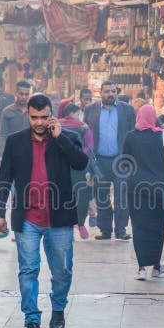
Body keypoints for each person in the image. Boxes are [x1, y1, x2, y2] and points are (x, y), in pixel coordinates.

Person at [0, 94, 88, 328]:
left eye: (44, 117)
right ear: (28, 116)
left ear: (51, 115)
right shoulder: (15, 143)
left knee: (62, 271)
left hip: (60, 218)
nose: (39, 122)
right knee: (28, 270)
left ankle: (58, 310)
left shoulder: (66, 138)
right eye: (34, 117)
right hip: (27, 218)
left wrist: (61, 138)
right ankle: (31, 320)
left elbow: (81, 163)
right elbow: (4, 178)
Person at [121, 105, 164, 280]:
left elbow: (124, 163)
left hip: (136, 189)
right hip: (160, 189)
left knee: (139, 227)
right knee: (158, 227)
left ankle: (141, 268)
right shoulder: (163, 135)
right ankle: (157, 265)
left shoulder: (130, 137)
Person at [84, 80, 136, 241]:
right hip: (99, 160)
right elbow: (85, 133)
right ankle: (105, 230)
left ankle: (120, 229)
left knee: (122, 195)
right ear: (101, 93)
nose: (110, 94)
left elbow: (133, 133)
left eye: (113, 91)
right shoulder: (90, 110)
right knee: (102, 195)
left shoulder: (126, 110)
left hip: (121, 159)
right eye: (107, 91)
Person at [59, 102, 95, 239]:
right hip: (79, 167)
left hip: (62, 167)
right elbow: (90, 147)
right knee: (82, 196)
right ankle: (80, 224)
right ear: (75, 113)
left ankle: (67, 228)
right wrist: (79, 154)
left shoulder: (57, 125)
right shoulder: (83, 127)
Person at [0, 80, 32, 157]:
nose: (24, 97)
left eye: (26, 94)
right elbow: (2, 135)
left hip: (30, 153)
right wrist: (2, 154)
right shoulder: (7, 111)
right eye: (21, 94)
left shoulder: (33, 111)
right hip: (13, 152)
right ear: (16, 93)